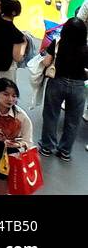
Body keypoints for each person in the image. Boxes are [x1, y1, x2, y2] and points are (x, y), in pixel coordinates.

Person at [38, 16, 88, 159]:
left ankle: (47, 147)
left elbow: (47, 62)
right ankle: (65, 151)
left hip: (56, 82)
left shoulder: (56, 43)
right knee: (73, 120)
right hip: (78, 87)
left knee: (51, 115)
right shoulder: (86, 49)